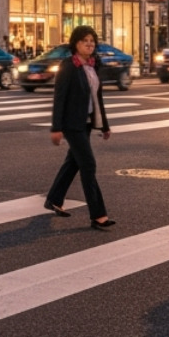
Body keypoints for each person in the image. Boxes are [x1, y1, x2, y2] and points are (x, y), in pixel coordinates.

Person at [43, 25, 115, 229]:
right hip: (71, 124)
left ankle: (54, 199)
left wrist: (104, 126)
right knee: (88, 165)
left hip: (86, 123)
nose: (90, 44)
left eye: (92, 41)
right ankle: (98, 215)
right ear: (76, 44)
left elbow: (97, 97)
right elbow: (59, 99)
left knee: (73, 162)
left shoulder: (93, 65)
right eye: (85, 41)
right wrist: (56, 128)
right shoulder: (68, 66)